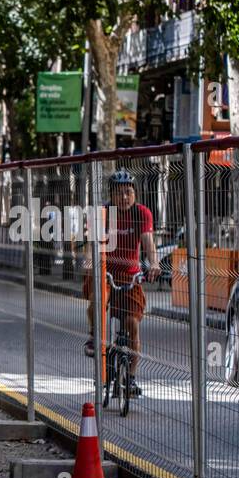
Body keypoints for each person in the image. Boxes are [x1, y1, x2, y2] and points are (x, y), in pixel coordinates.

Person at [82, 169, 159, 396]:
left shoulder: (142, 214)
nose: (124, 197)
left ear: (135, 193)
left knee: (133, 325)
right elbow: (91, 244)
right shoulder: (102, 213)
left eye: (128, 192)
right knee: (98, 300)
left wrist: (153, 263)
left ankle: (131, 379)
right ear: (111, 194)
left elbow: (148, 243)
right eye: (119, 193)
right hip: (104, 271)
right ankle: (94, 336)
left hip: (130, 275)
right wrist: (89, 262)